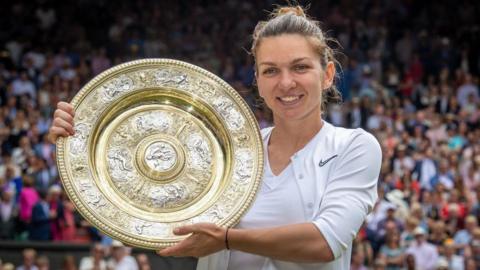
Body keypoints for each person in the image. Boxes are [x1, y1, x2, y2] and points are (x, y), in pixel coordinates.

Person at [48, 5, 382, 270]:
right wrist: (79, 140)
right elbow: (154, 207)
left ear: (327, 74)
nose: (285, 83)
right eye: (270, 70)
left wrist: (226, 240)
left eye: (300, 67)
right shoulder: (231, 153)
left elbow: (324, 243)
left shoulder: (353, 147)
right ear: (258, 80)